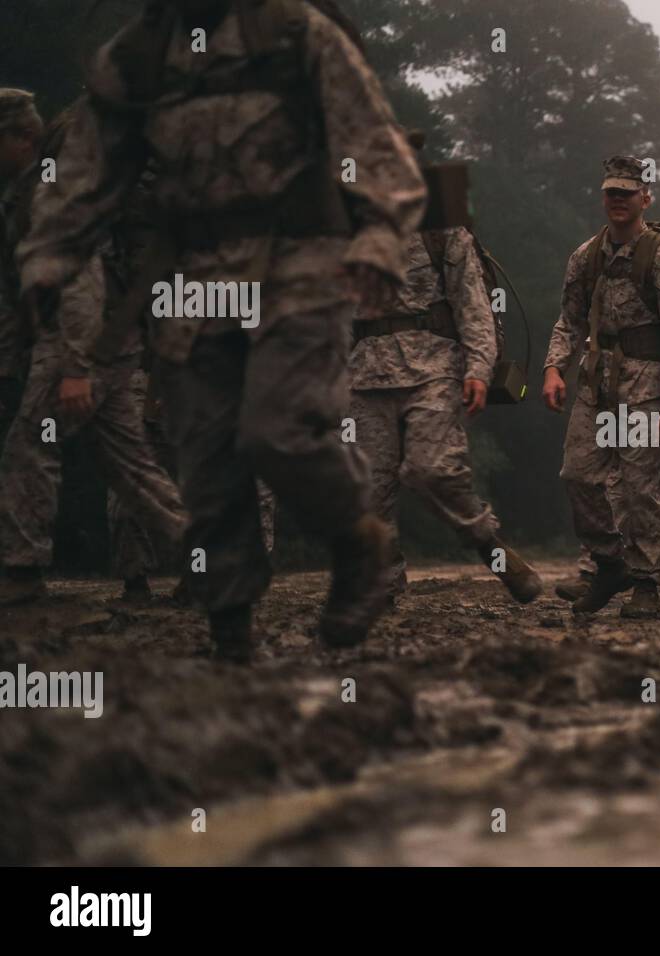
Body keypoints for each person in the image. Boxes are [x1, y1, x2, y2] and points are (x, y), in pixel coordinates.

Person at [17, 0, 427, 659]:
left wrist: (380, 234)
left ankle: (359, 543)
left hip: (300, 261)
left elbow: (374, 143)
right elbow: (86, 174)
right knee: (207, 462)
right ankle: (234, 631)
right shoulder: (138, 57)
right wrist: (48, 258)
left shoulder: (294, 31)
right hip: (194, 277)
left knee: (279, 428)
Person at [0, 90, 186, 607]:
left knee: (30, 447)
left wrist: (76, 370)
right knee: (134, 471)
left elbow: (81, 283)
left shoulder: (51, 192)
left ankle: (22, 573)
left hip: (81, 345)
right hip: (112, 345)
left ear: (23, 139)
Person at [349, 134, 541, 606]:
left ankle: (489, 547)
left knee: (434, 471)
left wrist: (478, 369)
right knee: (371, 492)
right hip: (362, 375)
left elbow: (473, 306)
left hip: (433, 368)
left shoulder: (443, 231)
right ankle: (383, 590)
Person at [542, 155, 660, 619]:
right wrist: (554, 368)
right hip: (598, 384)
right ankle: (610, 563)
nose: (618, 201)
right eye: (611, 192)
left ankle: (647, 581)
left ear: (645, 198)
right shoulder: (586, 257)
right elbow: (568, 321)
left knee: (639, 488)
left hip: (649, 389)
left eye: (627, 193)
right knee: (577, 474)